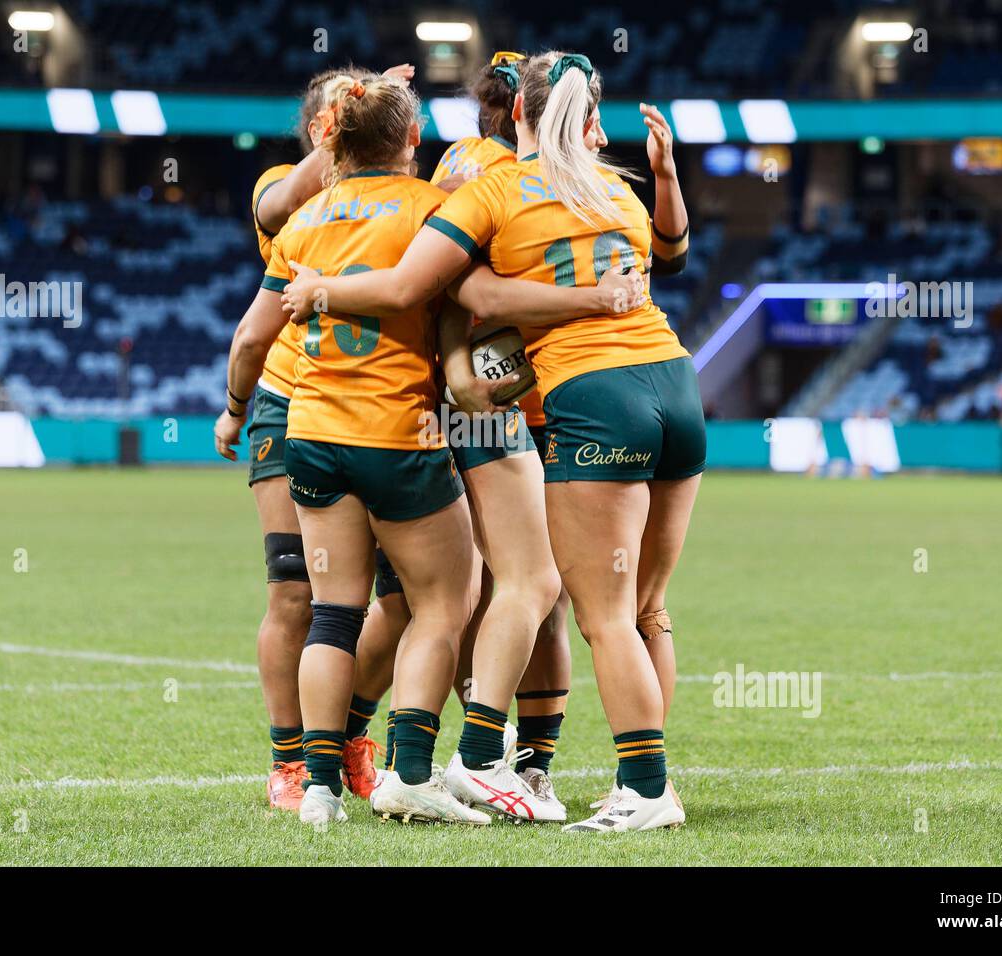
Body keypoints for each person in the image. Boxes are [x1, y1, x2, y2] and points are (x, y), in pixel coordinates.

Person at [280, 52, 706, 833]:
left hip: (554, 404)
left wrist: (326, 298)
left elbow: (450, 292)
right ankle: (544, 767)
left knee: (525, 595)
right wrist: (663, 180)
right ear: (587, 120)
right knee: (636, 609)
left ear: (513, 112)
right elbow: (670, 256)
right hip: (674, 387)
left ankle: (505, 764)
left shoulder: (481, 184)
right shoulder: (615, 186)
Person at [224, 64, 416, 813]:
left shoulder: (405, 192)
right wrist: (341, 129)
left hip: (387, 408)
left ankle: (345, 738)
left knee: (403, 598)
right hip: (289, 399)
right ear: (320, 127)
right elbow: (275, 206)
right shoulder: (288, 187)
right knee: (296, 592)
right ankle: (289, 763)